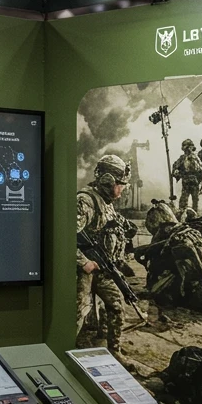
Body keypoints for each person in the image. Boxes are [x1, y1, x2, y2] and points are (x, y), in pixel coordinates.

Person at [76, 154, 133, 359]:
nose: (122, 190)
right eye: (120, 185)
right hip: (83, 268)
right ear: (108, 181)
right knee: (78, 313)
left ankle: (113, 352)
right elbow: (66, 236)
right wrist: (84, 263)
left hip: (102, 267)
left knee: (117, 304)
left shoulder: (106, 201)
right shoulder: (86, 201)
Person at [171, 138, 202, 214]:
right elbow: (175, 166)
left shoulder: (195, 158)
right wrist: (176, 172)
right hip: (186, 182)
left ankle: (194, 217)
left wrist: (201, 184)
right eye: (186, 148)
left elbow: (200, 171)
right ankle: (182, 215)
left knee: (195, 201)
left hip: (194, 182)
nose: (187, 150)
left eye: (188, 148)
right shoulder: (182, 158)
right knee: (183, 201)